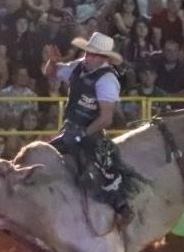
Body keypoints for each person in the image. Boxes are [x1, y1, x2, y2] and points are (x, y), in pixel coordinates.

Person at [43, 31, 136, 226]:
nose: (88, 57)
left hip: (89, 131)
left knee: (97, 169)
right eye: (88, 53)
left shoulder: (107, 80)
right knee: (49, 155)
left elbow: (105, 118)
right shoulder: (78, 67)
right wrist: (52, 62)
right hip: (70, 127)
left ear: (104, 58)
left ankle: (119, 206)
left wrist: (82, 135)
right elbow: (51, 73)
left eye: (93, 54)